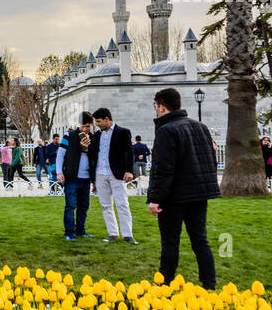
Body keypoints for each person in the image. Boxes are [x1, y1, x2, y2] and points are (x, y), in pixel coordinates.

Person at [146, 87, 219, 289]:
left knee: (170, 241)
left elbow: (163, 168)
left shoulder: (166, 130)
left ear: (161, 107)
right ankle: (209, 282)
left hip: (175, 195)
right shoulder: (200, 127)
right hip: (199, 193)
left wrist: (156, 198)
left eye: (156, 106)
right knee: (200, 239)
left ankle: (165, 281)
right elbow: (210, 160)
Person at [87, 108, 137, 245]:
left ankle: (128, 235)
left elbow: (129, 152)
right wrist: (86, 147)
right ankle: (113, 233)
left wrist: (129, 170)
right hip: (100, 173)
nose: (97, 124)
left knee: (122, 204)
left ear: (107, 119)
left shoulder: (123, 132)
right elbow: (93, 154)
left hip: (117, 173)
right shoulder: (97, 135)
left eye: (99, 121)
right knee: (105, 205)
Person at [56, 113, 95, 241]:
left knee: (83, 206)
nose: (85, 129)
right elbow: (61, 154)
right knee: (70, 206)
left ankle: (80, 230)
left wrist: (87, 148)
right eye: (83, 126)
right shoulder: (69, 135)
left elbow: (95, 156)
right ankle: (69, 232)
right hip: (71, 176)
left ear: (91, 124)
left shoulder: (93, 138)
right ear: (79, 124)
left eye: (87, 127)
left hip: (86, 178)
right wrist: (59, 172)